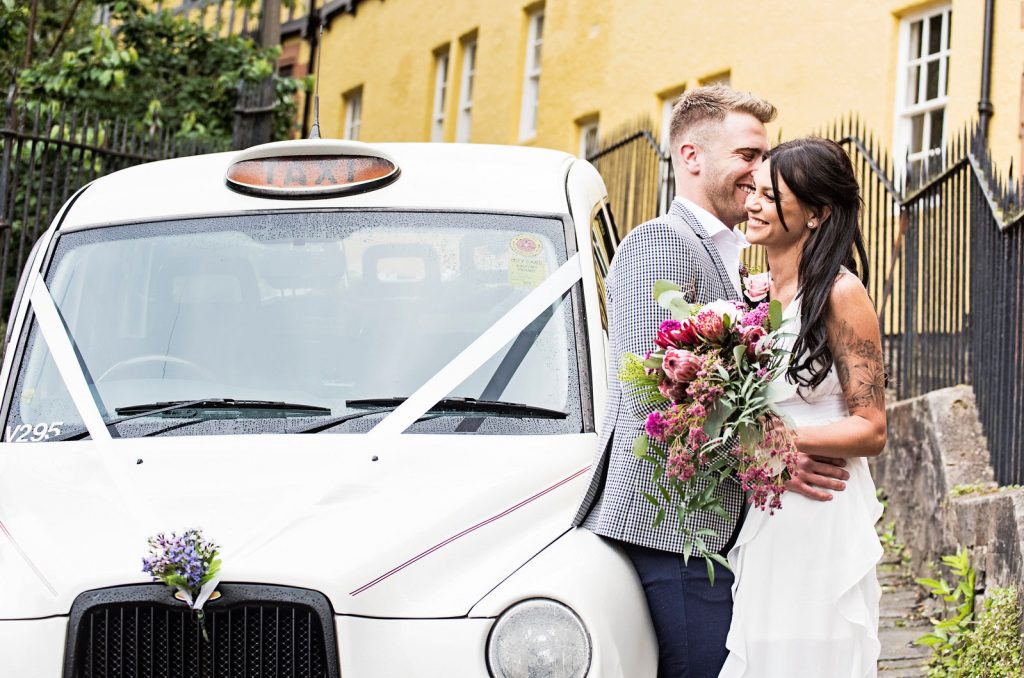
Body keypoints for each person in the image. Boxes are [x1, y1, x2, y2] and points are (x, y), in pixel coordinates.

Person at [572, 86, 849, 678]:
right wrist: (771, 458)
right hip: (670, 523)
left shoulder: (732, 257)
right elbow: (664, 393)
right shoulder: (658, 244)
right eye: (748, 155)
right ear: (692, 157)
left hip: (709, 522)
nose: (761, 171)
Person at [719, 137, 887, 677]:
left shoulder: (841, 294)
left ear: (816, 214)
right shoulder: (751, 296)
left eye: (771, 195)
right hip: (770, 503)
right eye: (754, 191)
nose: (753, 203)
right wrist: (751, 445)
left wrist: (781, 440)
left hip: (821, 503)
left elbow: (872, 428)